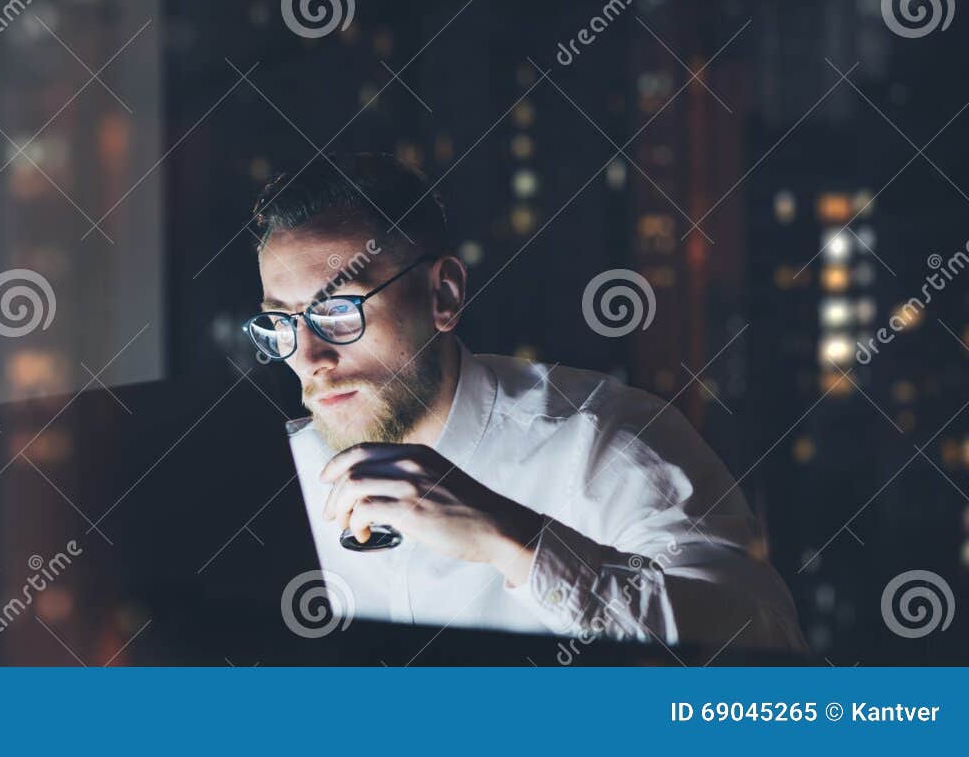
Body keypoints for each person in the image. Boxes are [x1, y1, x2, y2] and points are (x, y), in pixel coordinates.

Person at [243, 153, 806, 651]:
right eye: (281, 323)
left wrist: (516, 541)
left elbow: (763, 652)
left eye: (338, 311)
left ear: (443, 295)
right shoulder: (273, 482)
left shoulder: (604, 443)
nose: (309, 358)